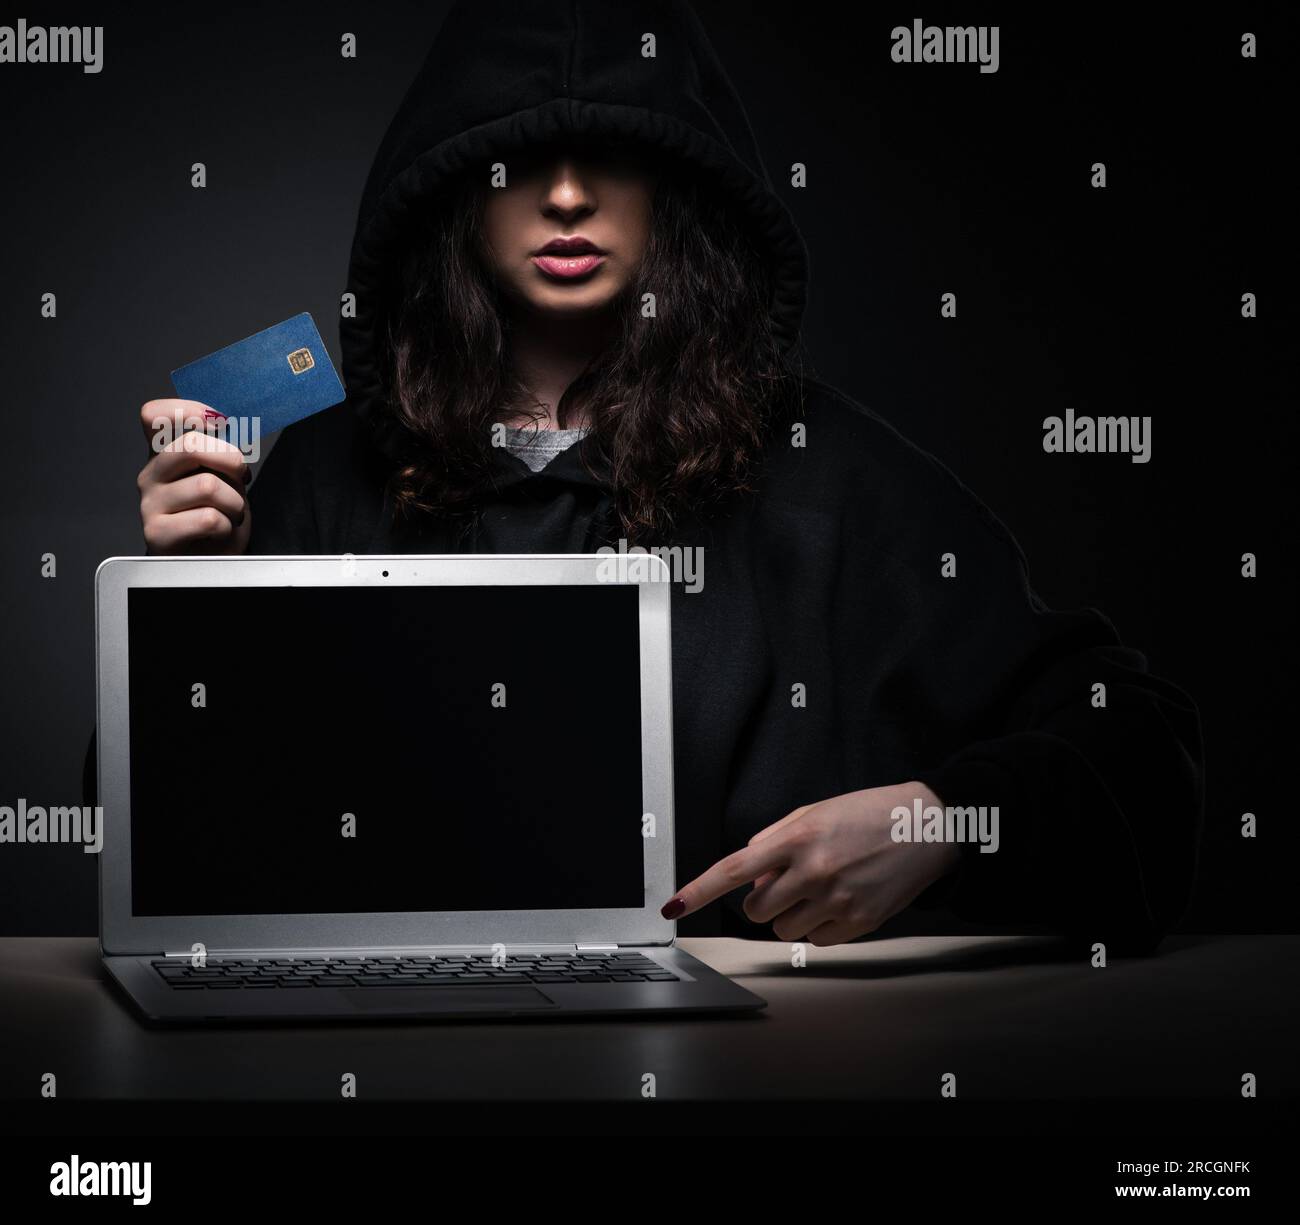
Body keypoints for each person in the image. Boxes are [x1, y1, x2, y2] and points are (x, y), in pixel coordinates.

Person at [130, 0, 1202, 952]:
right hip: (372, 1060)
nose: (561, 195)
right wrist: (194, 614)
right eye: (519, 159)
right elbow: (166, 851)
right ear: (454, 187)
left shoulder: (825, 473)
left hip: (756, 1072)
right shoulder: (315, 474)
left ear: (682, 184)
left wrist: (943, 820)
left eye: (610, 154)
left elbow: (1139, 749)